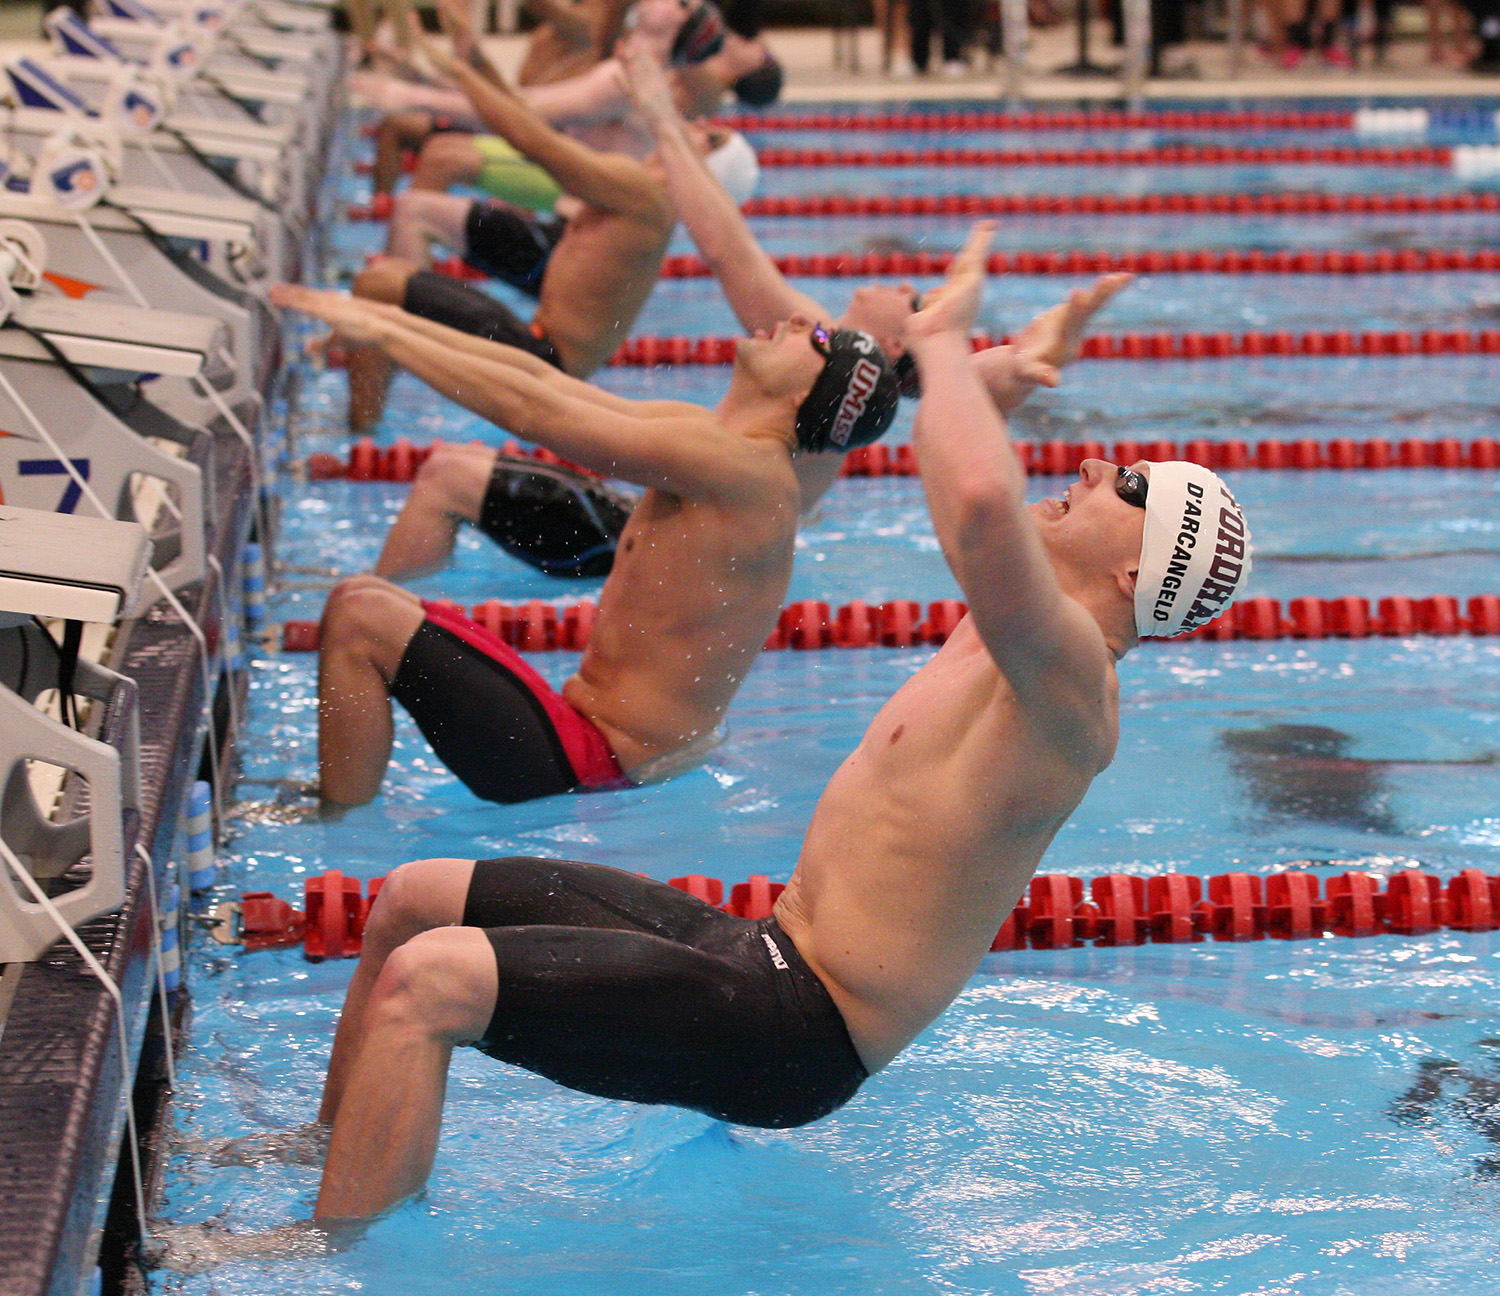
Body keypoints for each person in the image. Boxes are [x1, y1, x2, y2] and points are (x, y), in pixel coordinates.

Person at [291, 225, 1255, 1221]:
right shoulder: (1011, 636)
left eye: (1129, 487)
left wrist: (957, 342)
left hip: (795, 1027)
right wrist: (986, 367)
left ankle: (324, 1267)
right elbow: (955, 461)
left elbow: (976, 498)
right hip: (762, 948)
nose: (1095, 467)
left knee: (430, 984)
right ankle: (330, 1147)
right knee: (411, 900)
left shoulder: (1069, 689)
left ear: (1136, 578)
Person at [269, 280, 902, 808]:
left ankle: (335, 826)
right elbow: (541, 382)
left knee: (359, 614)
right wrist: (388, 319)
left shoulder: (747, 472)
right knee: (367, 601)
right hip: (590, 739)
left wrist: (386, 338)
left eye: (816, 340)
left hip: (593, 761)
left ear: (805, 395)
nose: (797, 318)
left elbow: (532, 411)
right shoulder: (711, 438)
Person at [336, 24, 754, 433]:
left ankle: (361, 437)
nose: (700, 125)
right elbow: (530, 122)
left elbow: (533, 141)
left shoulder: (646, 195)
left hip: (543, 360)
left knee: (377, 284)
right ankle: (370, 402)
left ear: (710, 172)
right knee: (388, 277)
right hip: (541, 343)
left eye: (711, 138)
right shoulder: (646, 189)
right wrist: (458, 72)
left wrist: (459, 75)